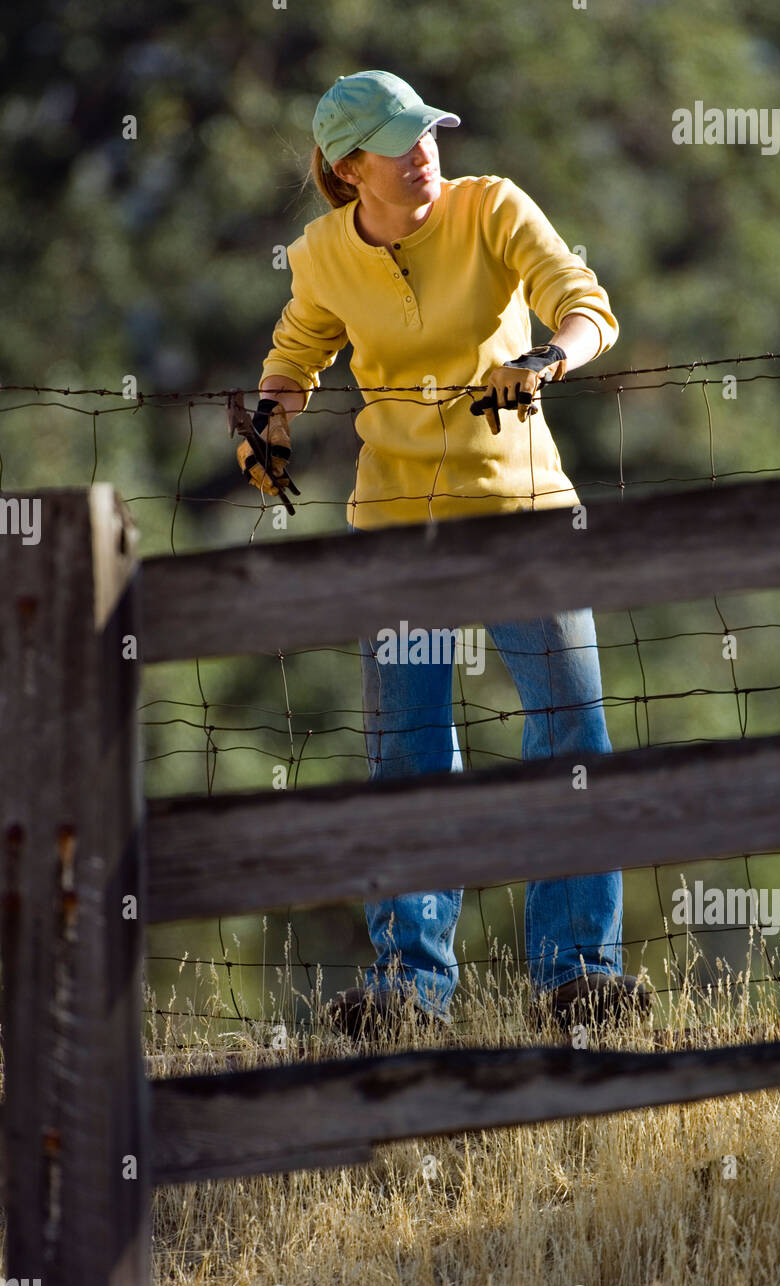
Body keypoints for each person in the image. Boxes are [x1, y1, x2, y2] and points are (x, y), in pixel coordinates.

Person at [237, 69, 651, 1040]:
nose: (422, 150)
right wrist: (268, 423)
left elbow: (583, 304)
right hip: (397, 536)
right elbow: (293, 358)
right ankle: (409, 990)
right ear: (349, 168)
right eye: (397, 140)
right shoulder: (322, 257)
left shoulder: (489, 208)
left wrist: (552, 358)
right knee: (411, 753)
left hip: (523, 516)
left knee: (571, 737)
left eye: (426, 131)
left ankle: (580, 977)